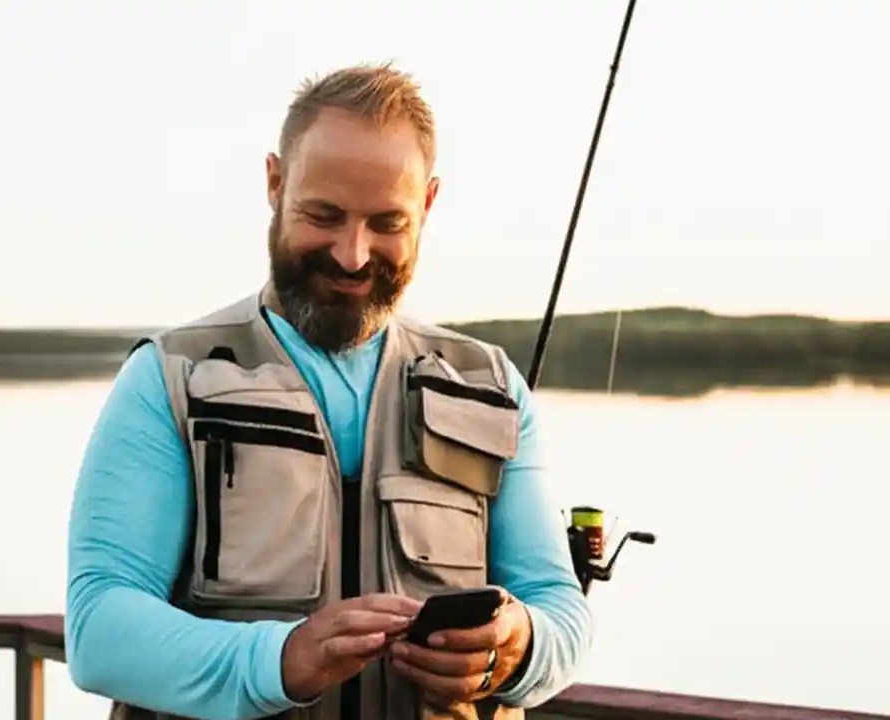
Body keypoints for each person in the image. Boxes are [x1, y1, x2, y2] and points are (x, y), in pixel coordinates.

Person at [66, 63, 593, 720]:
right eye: (324, 215)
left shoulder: (494, 386)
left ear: (428, 204)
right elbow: (99, 632)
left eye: (387, 223)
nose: (352, 254)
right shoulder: (169, 376)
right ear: (274, 182)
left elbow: (561, 612)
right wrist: (282, 660)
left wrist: (517, 648)